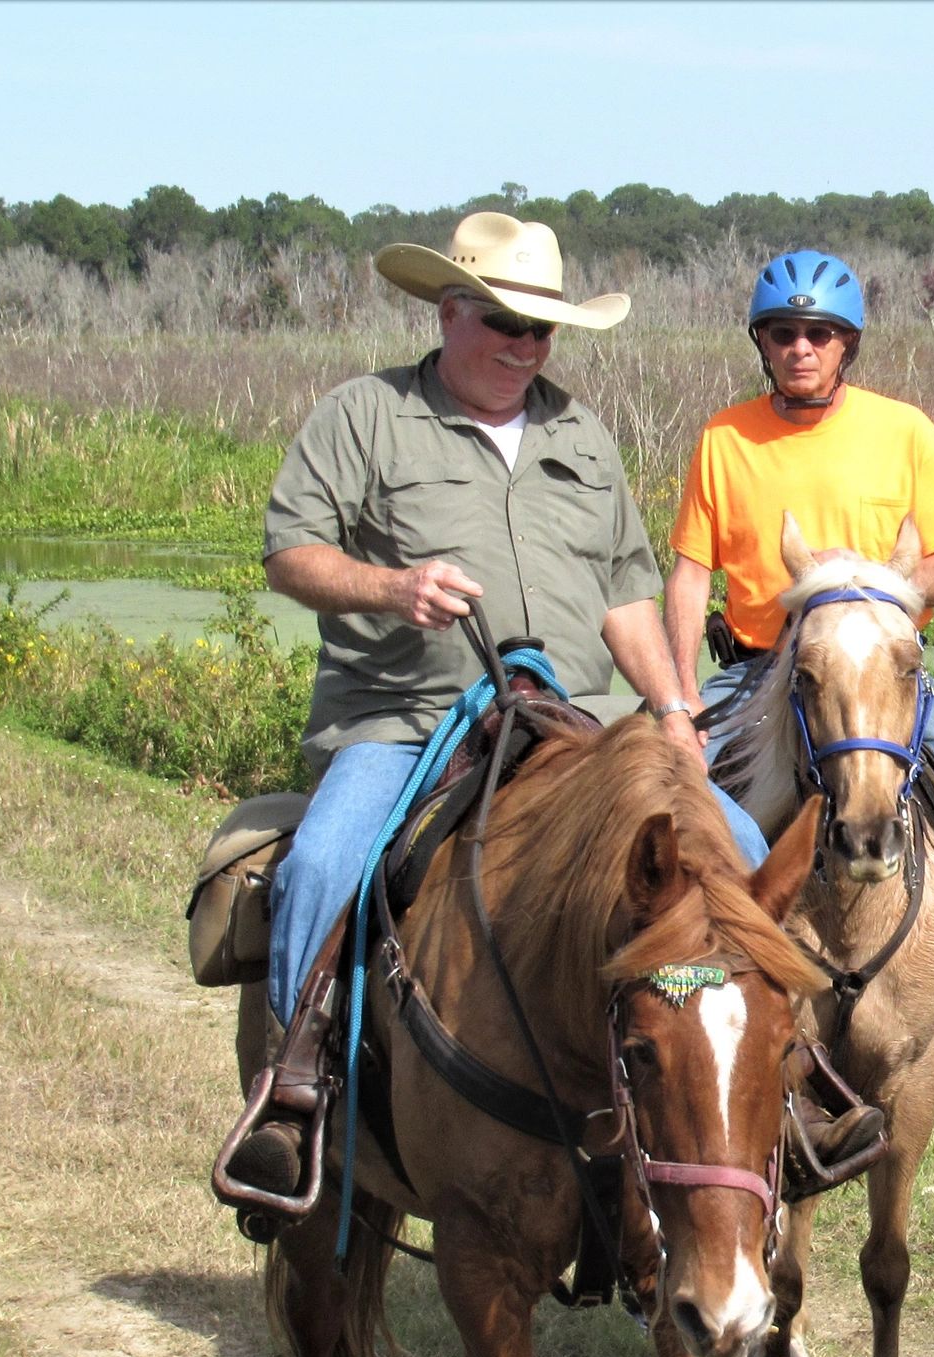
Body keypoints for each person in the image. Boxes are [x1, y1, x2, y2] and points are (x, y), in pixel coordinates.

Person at [219, 211, 784, 1209]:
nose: (524, 347)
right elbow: (289, 553)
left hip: (559, 725)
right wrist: (391, 589)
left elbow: (622, 595)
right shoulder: (368, 415)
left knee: (736, 852)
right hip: (404, 721)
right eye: (502, 323)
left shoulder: (579, 435)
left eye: (541, 330)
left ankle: (780, 1099)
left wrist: (671, 712)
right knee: (321, 864)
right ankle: (296, 1091)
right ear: (449, 313)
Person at [664, 250, 934, 1120]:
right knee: (671, 821)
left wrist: (866, 587)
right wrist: (679, 700)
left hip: (880, 668)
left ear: (848, 345)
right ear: (762, 342)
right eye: (786, 333)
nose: (803, 347)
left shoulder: (904, 432)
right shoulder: (725, 438)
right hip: (768, 670)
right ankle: (676, 1025)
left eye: (821, 334)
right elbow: (688, 577)